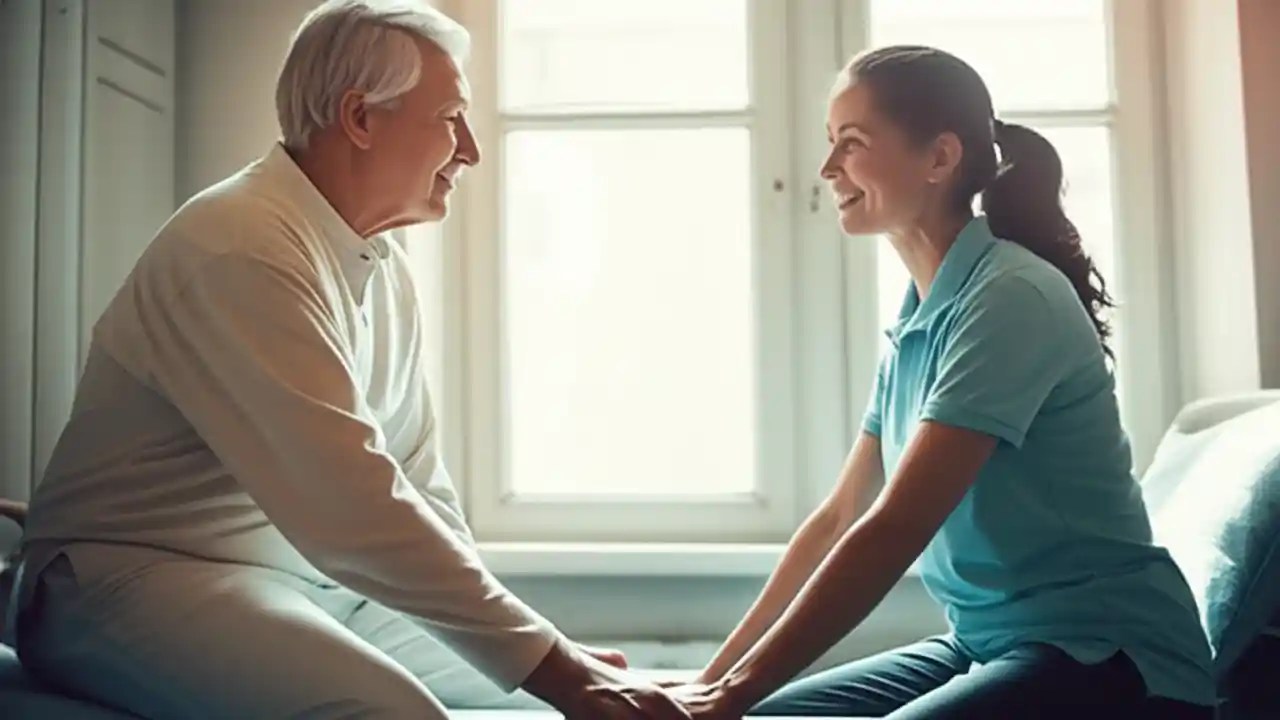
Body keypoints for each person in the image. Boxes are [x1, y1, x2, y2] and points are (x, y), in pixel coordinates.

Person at [12, 2, 688, 718]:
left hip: (295, 580)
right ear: (360, 118)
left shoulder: (380, 268)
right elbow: (354, 506)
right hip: (130, 578)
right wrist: (563, 671)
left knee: (547, 691)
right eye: (451, 118)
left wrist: (550, 653)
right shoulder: (241, 246)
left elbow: (420, 486)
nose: (471, 150)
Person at [665, 46, 1216, 720]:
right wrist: (707, 686)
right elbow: (840, 519)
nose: (826, 168)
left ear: (939, 158)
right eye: (829, 143)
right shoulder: (919, 318)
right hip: (985, 645)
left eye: (852, 143)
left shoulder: (1011, 297)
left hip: (1112, 657)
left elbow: (896, 525)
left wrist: (732, 693)